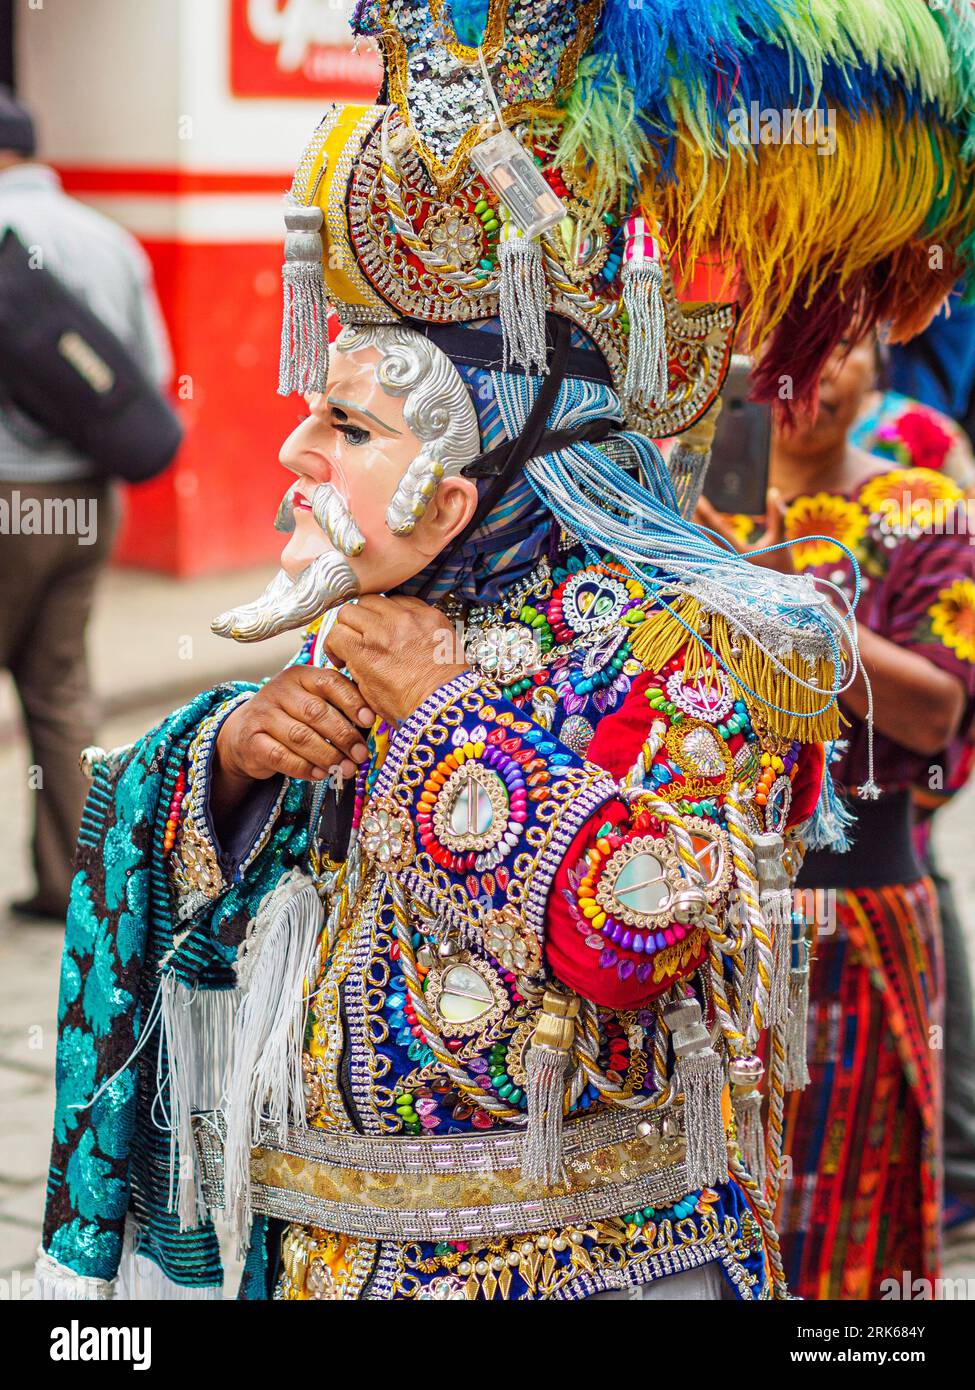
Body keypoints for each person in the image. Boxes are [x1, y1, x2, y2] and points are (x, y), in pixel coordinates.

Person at [33, 0, 975, 1302]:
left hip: (592, 1268)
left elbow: (643, 926)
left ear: (473, 478)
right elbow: (234, 883)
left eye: (346, 427)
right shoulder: (359, 630)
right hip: (321, 1255)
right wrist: (232, 756)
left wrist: (442, 719)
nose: (297, 455)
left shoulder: (705, 641)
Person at [699, 337, 975, 1299]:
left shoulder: (920, 512)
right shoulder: (670, 508)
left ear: (878, 365)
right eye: (775, 356)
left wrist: (790, 602)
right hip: (686, 921)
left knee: (844, 1227)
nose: (800, 384)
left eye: (833, 352)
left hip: (850, 919)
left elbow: (936, 712)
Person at [0, 87, 172, 922]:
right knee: (60, 688)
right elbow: (147, 372)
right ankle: (71, 885)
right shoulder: (112, 240)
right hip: (89, 503)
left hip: (8, 500)